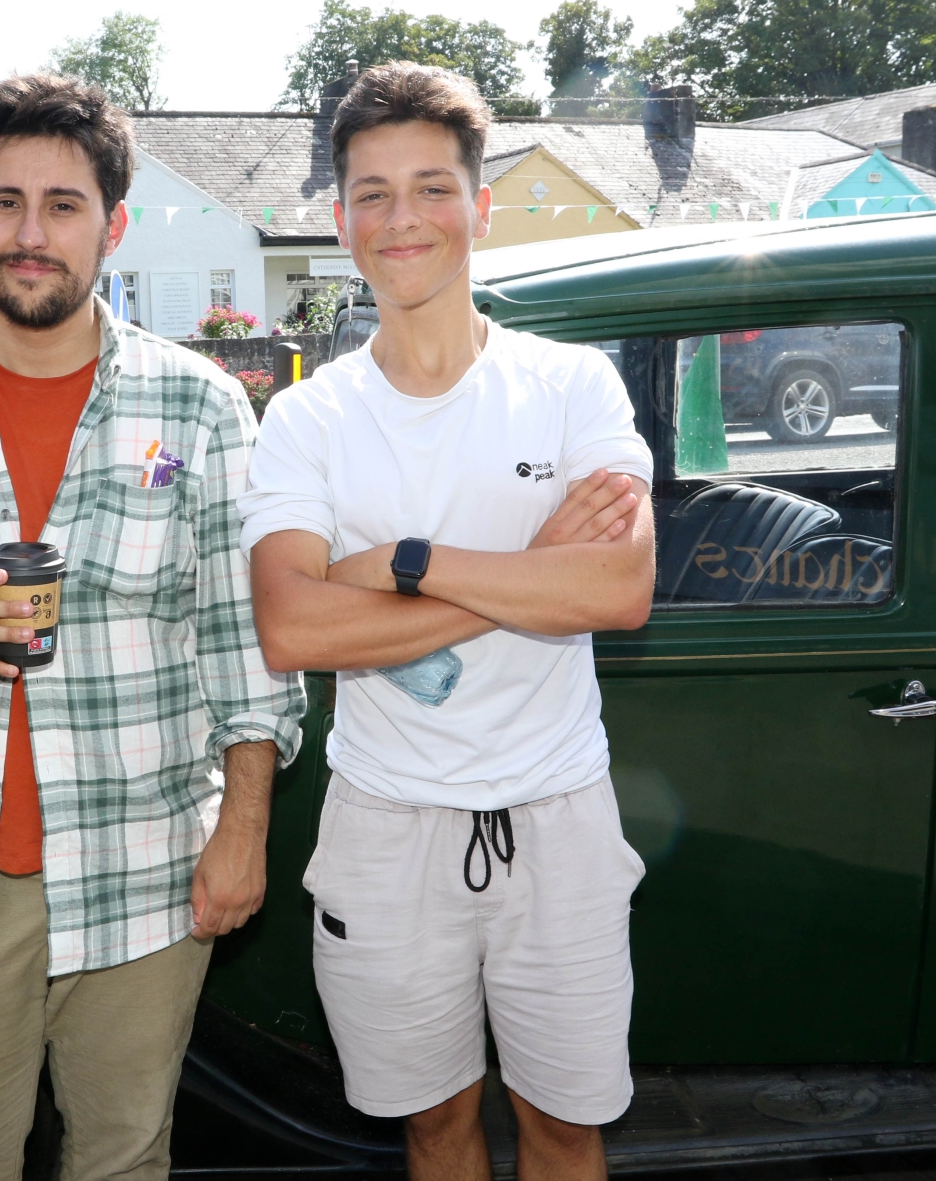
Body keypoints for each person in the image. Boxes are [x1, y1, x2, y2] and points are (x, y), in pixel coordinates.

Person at [0, 72, 302, 1180]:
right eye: (5, 203)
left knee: (125, 1158)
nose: (32, 235)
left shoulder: (200, 406)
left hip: (146, 871)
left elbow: (247, 638)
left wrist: (243, 829)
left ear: (112, 225)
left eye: (64, 205)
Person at [239, 62, 656, 1181]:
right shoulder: (308, 420)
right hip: (387, 829)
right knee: (434, 1128)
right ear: (339, 220)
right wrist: (529, 572)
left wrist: (406, 567)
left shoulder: (572, 385)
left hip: (560, 818)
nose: (401, 218)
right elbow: (294, 629)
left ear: (480, 204)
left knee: (567, 1129)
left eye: (430, 187)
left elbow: (617, 590)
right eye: (371, 193)